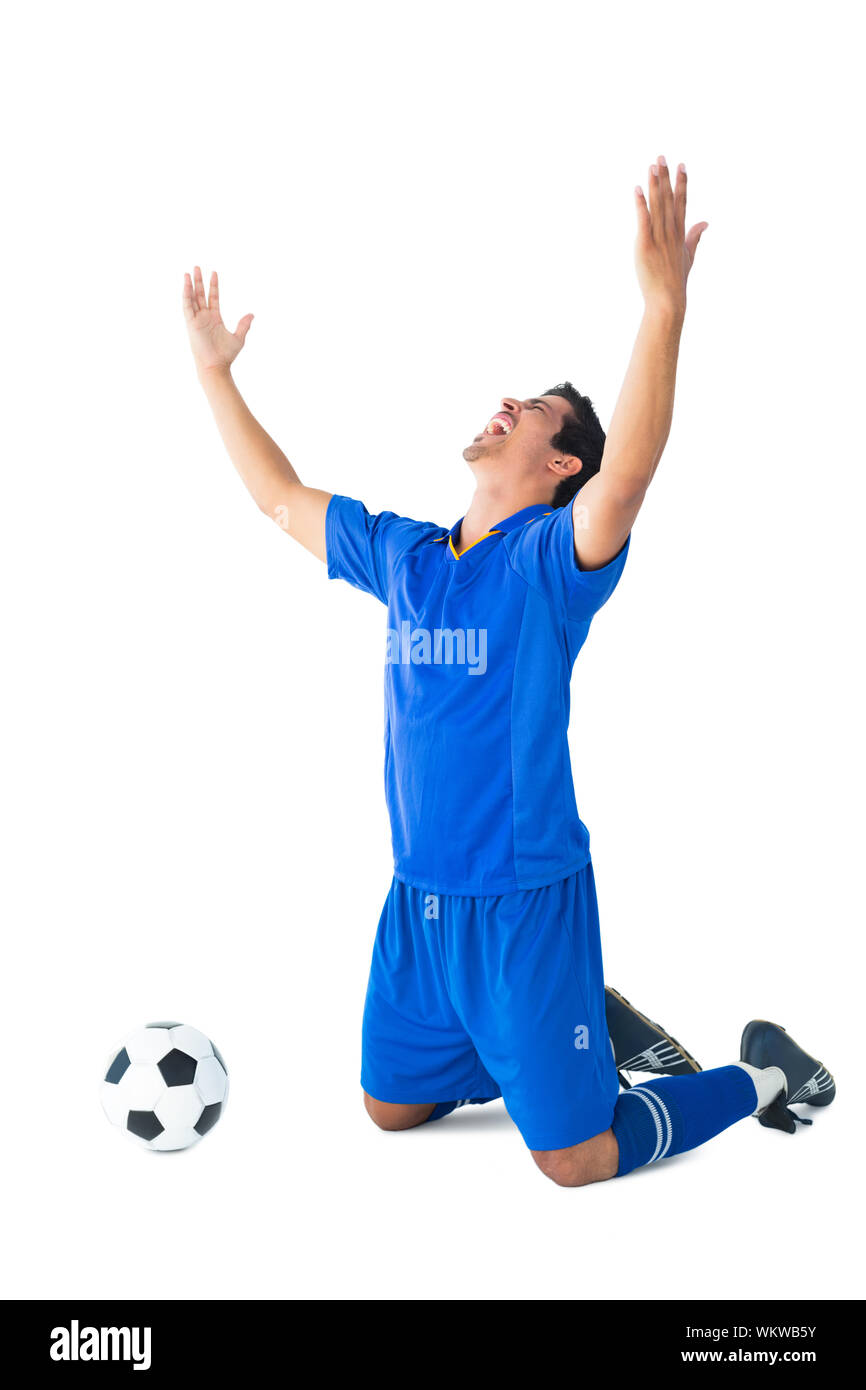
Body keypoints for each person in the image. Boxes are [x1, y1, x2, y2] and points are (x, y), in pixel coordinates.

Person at [183, 156, 834, 1186]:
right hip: (419, 899)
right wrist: (216, 374)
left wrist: (662, 307)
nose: (505, 403)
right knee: (390, 1109)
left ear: (560, 464)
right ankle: (566, 1028)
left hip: (526, 904)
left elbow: (628, 476)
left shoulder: (546, 565)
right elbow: (279, 499)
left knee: (574, 1158)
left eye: (531, 409)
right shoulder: (405, 556)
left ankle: (764, 1076)